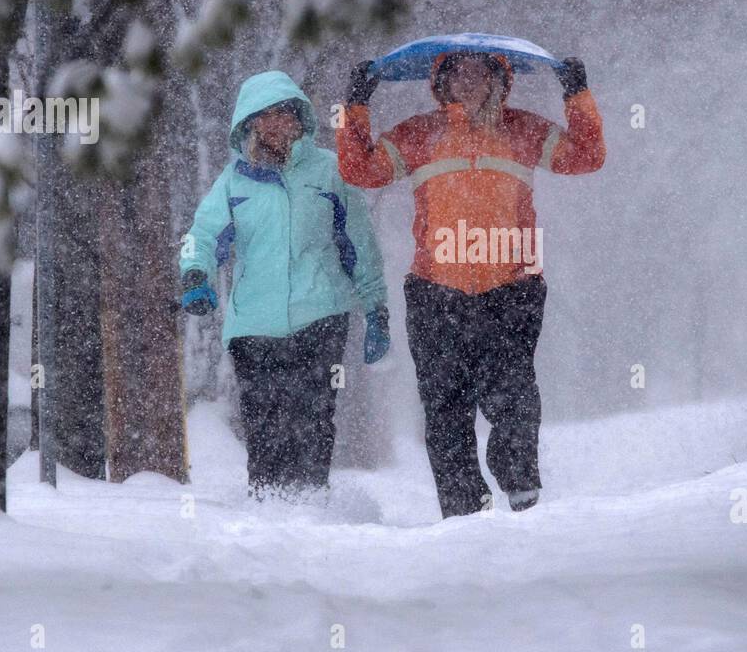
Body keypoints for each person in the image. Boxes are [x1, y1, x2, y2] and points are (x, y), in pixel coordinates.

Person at [336, 49, 605, 517]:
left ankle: (521, 485)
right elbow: (361, 170)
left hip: (512, 288)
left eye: (481, 72)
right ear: (441, 83)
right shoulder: (419, 135)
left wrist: (576, 93)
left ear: (499, 80)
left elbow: (586, 156)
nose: (469, 81)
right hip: (435, 291)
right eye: (457, 73)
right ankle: (464, 509)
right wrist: (356, 105)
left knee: (515, 392)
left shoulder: (523, 130)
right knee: (445, 408)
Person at [180, 70, 389, 498]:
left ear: (300, 119)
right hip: (254, 324)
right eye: (266, 116)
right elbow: (200, 235)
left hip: (321, 314)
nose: (276, 124)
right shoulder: (233, 181)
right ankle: (268, 505)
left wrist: (376, 309)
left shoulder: (331, 172)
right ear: (249, 124)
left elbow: (359, 246)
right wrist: (196, 275)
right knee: (265, 418)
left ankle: (311, 502)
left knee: (314, 413)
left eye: (285, 114)